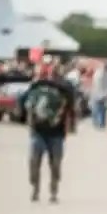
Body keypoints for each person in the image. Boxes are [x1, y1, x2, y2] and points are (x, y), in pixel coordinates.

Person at [20, 65, 77, 203]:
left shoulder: (64, 89)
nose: (49, 76)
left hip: (56, 133)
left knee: (55, 164)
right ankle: (35, 188)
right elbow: (22, 101)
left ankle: (53, 191)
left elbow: (71, 106)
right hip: (37, 131)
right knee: (34, 162)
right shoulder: (35, 87)